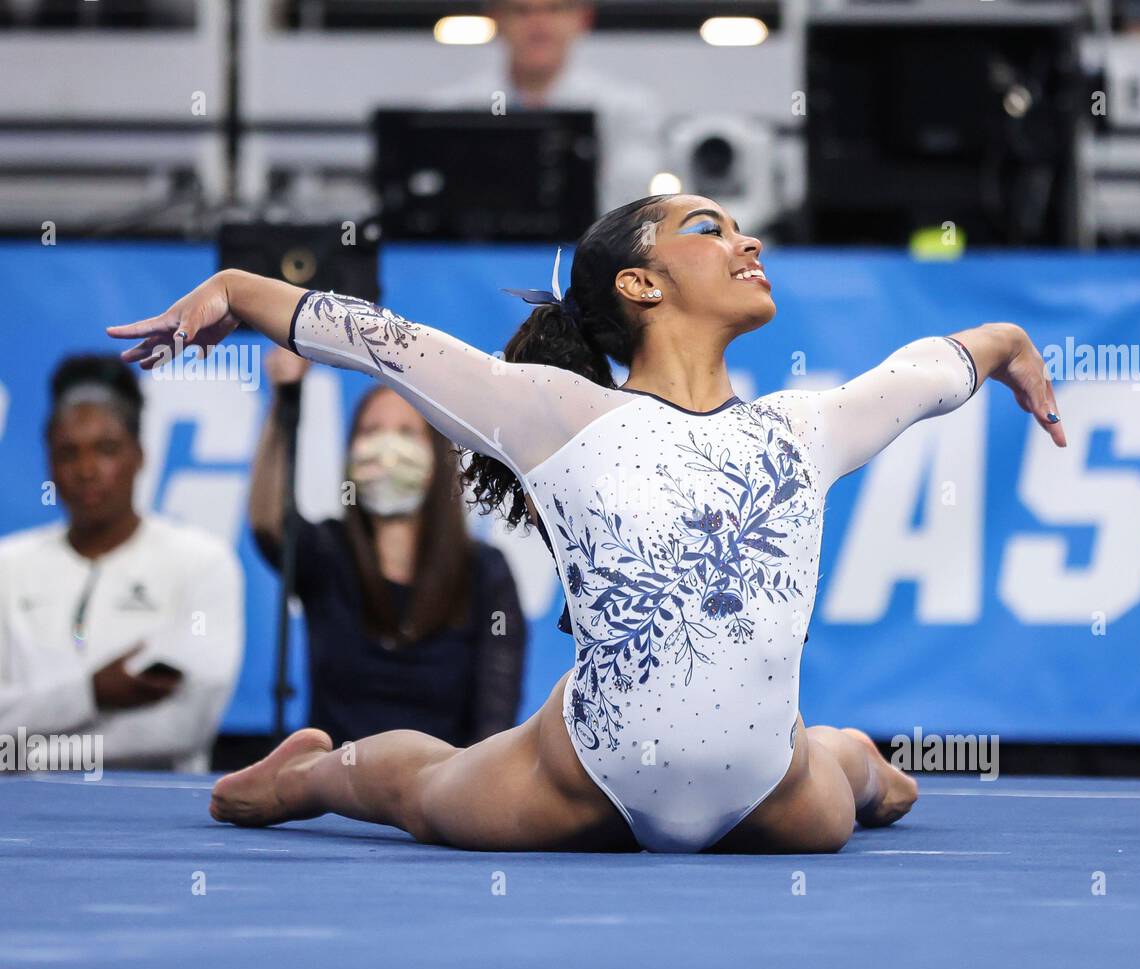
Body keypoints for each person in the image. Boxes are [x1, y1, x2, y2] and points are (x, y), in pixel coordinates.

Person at [107, 193, 1065, 852]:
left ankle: (860, 762)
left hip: (770, 786)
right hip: (593, 770)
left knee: (846, 784)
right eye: (708, 229)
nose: (748, 243)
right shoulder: (560, 411)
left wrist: (1009, 343)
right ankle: (312, 775)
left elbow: (926, 375)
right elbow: (385, 342)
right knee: (424, 794)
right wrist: (238, 289)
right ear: (640, 284)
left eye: (742, 230)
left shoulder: (803, 428)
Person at [248, 346, 526, 747]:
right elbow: (269, 523)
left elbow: (495, 722)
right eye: (370, 432)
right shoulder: (327, 554)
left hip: (441, 794)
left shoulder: (485, 573)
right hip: (333, 789)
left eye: (406, 433)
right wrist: (283, 400)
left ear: (436, 459)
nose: (387, 448)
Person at [0, 355, 243, 772]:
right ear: (49, 465)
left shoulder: (202, 562)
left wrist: (29, 748)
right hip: (18, 816)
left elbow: (184, 727)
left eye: (107, 449)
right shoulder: (8, 565)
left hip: (157, 819)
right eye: (68, 453)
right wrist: (92, 692)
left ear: (140, 456)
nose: (88, 470)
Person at [428, 0, 667, 213]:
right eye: (521, 11)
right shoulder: (452, 109)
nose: (538, 24)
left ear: (583, 18)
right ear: (496, 18)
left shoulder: (626, 109)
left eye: (555, 9)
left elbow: (632, 202)